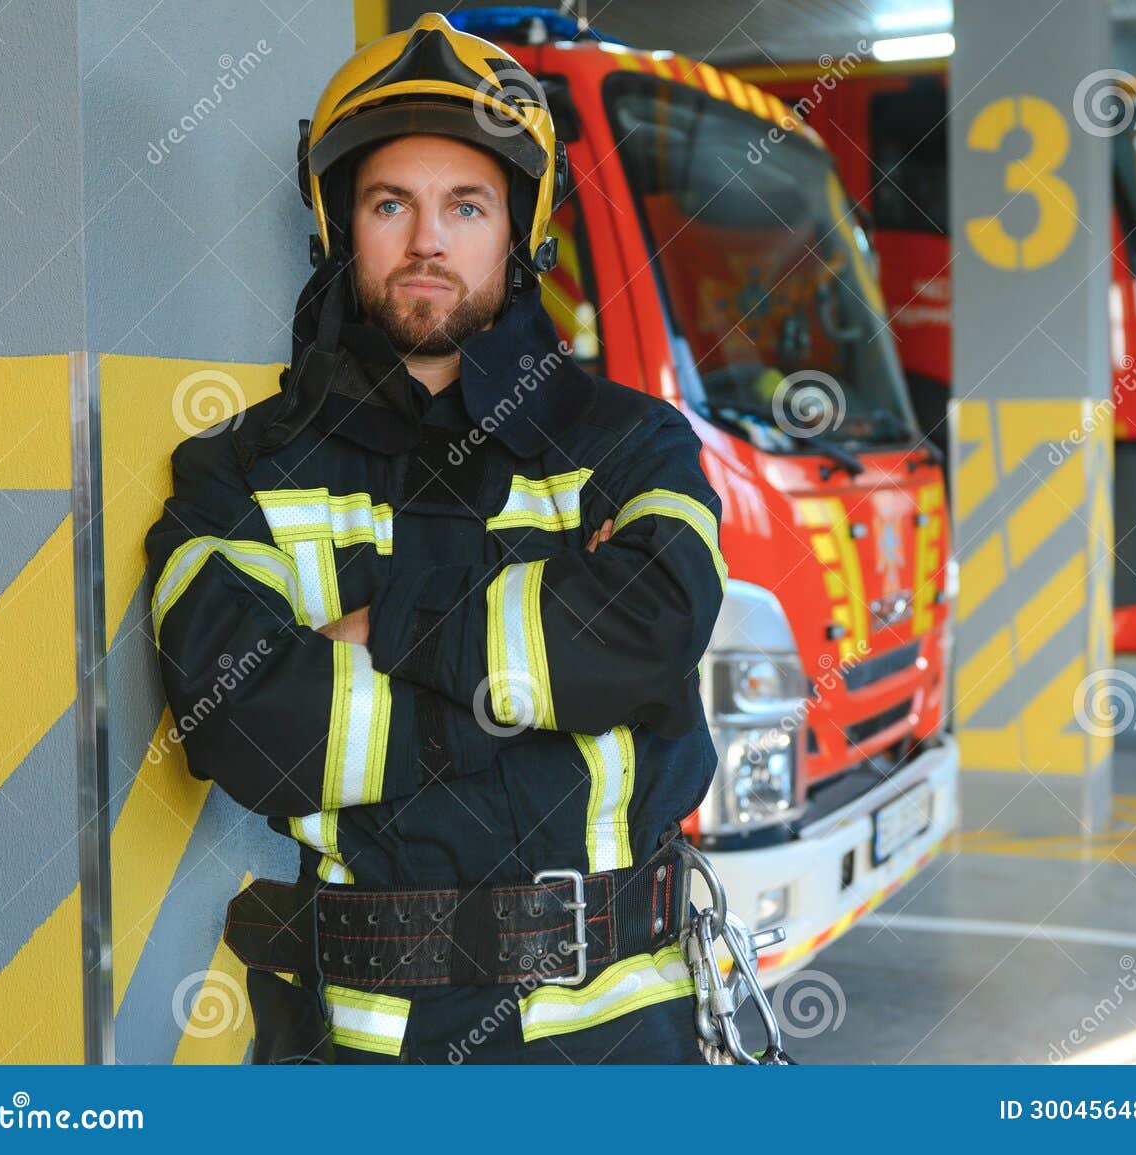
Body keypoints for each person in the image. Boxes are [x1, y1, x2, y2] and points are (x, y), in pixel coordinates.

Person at [143, 13, 727, 1063]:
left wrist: (388, 628)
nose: (426, 240)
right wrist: (546, 690)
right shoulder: (234, 475)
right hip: (358, 1053)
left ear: (518, 232)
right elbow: (251, 728)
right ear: (337, 226)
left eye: (466, 205)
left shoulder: (633, 443)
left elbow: (651, 630)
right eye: (388, 204)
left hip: (624, 1045)